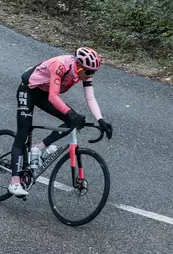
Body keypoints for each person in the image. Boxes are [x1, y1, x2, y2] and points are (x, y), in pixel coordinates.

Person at [9, 46, 113, 197]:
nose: (91, 75)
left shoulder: (84, 71)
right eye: (89, 72)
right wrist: (71, 113)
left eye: (94, 72)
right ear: (78, 66)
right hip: (29, 90)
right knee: (23, 133)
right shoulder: (60, 65)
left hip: (44, 93)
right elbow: (53, 97)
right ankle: (15, 182)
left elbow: (90, 98)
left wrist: (101, 120)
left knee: (73, 122)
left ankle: (38, 148)